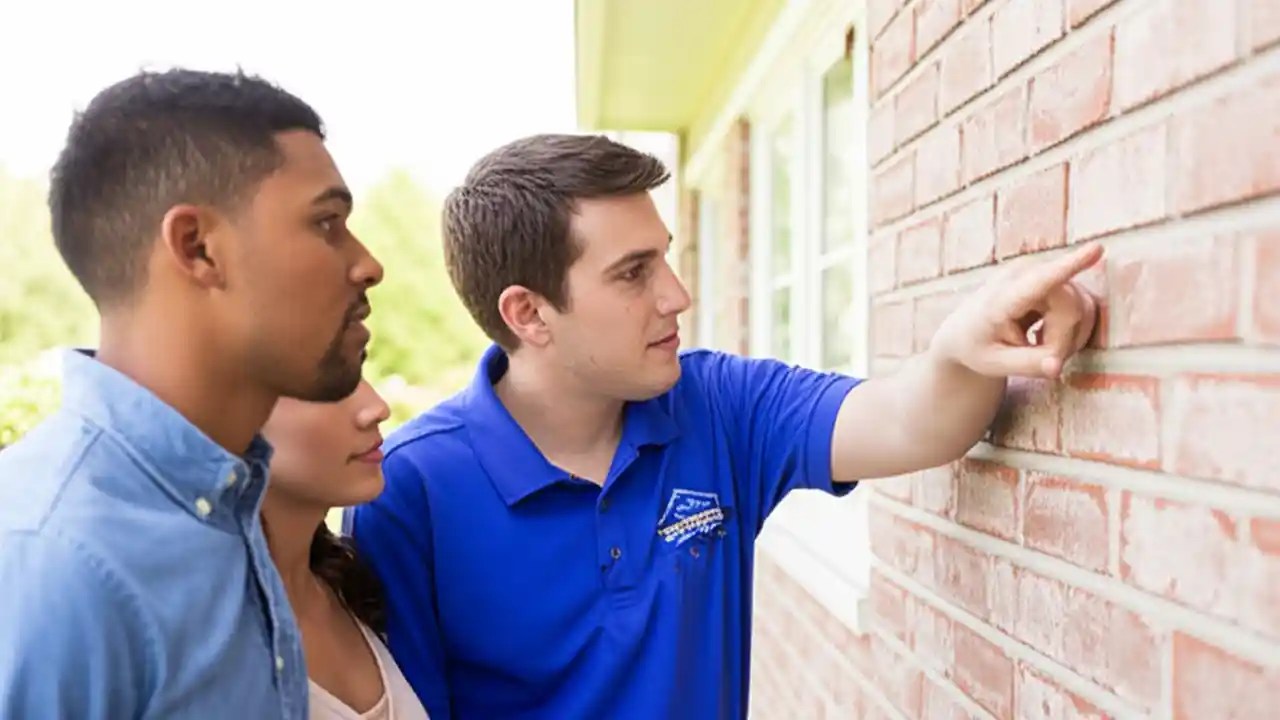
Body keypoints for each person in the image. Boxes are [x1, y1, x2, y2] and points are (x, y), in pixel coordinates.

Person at [348, 134, 1100, 719]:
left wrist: (977, 335)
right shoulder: (409, 486)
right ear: (528, 313)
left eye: (664, 260)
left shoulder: (716, 405)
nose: (676, 295)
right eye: (633, 272)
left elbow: (911, 422)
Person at [0, 68, 383, 718]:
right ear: (198, 247)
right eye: (326, 223)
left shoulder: (224, 508)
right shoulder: (53, 556)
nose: (368, 264)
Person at [260, 379, 430, 720]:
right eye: (326, 386)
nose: (377, 408)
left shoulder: (350, 585)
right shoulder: (190, 637)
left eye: (358, 368)